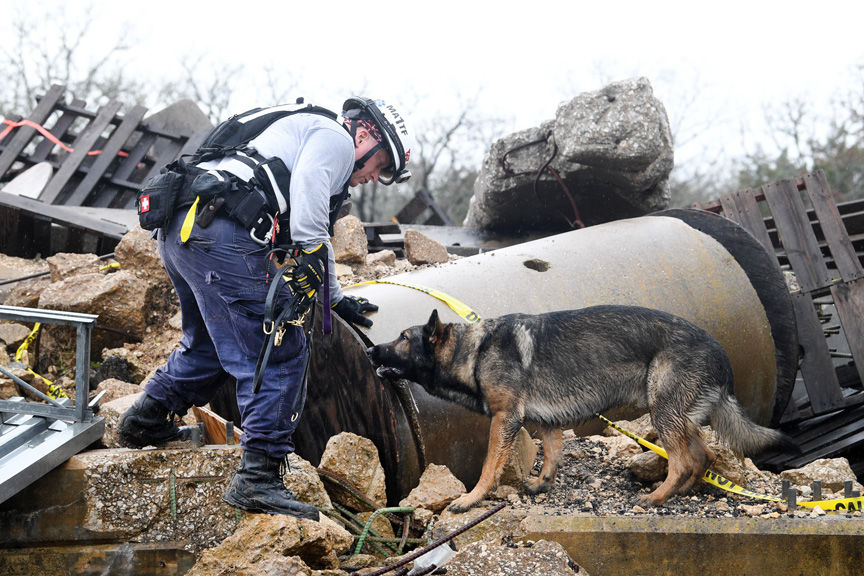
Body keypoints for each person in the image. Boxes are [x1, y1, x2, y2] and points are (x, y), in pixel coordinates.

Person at [118, 97, 413, 521]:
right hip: (219, 234)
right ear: (363, 134)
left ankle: (144, 420)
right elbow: (311, 209)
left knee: (208, 345)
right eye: (379, 164)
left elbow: (315, 230)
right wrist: (321, 279)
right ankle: (258, 480)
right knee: (278, 350)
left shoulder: (299, 129)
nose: (372, 177)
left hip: (183, 227)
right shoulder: (334, 137)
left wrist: (335, 299)